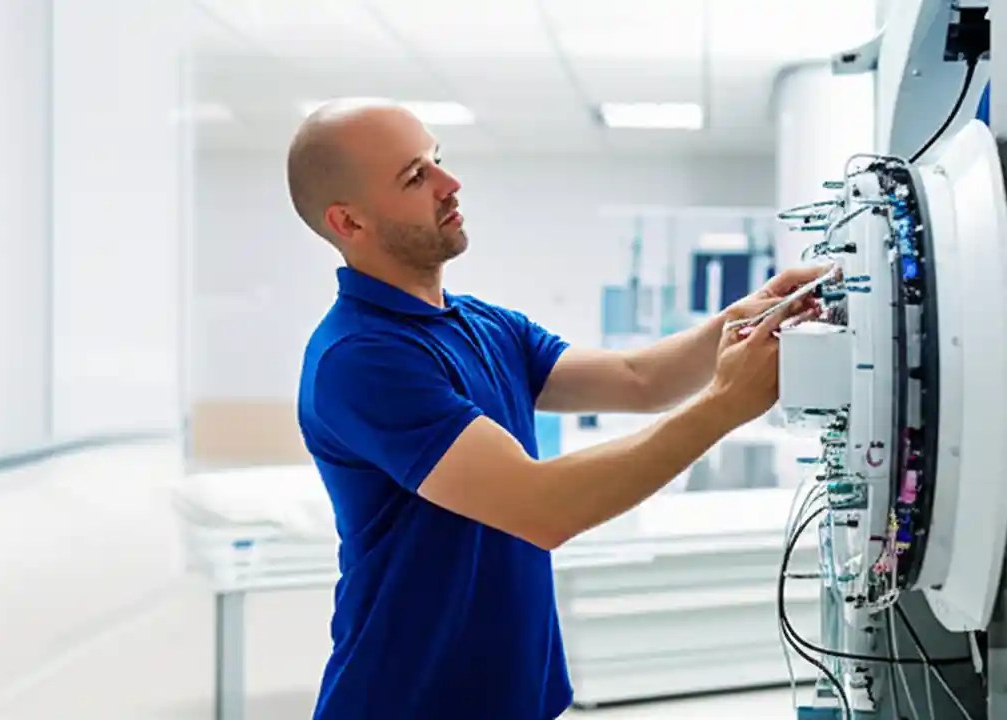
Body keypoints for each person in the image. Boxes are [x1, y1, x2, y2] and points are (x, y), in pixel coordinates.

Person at [286, 100, 825, 720]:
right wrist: (728, 403)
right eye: (415, 177)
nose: (450, 184)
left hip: (517, 696)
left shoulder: (483, 325)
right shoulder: (360, 357)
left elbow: (638, 379)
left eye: (437, 160)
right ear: (348, 222)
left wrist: (748, 314)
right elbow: (542, 508)